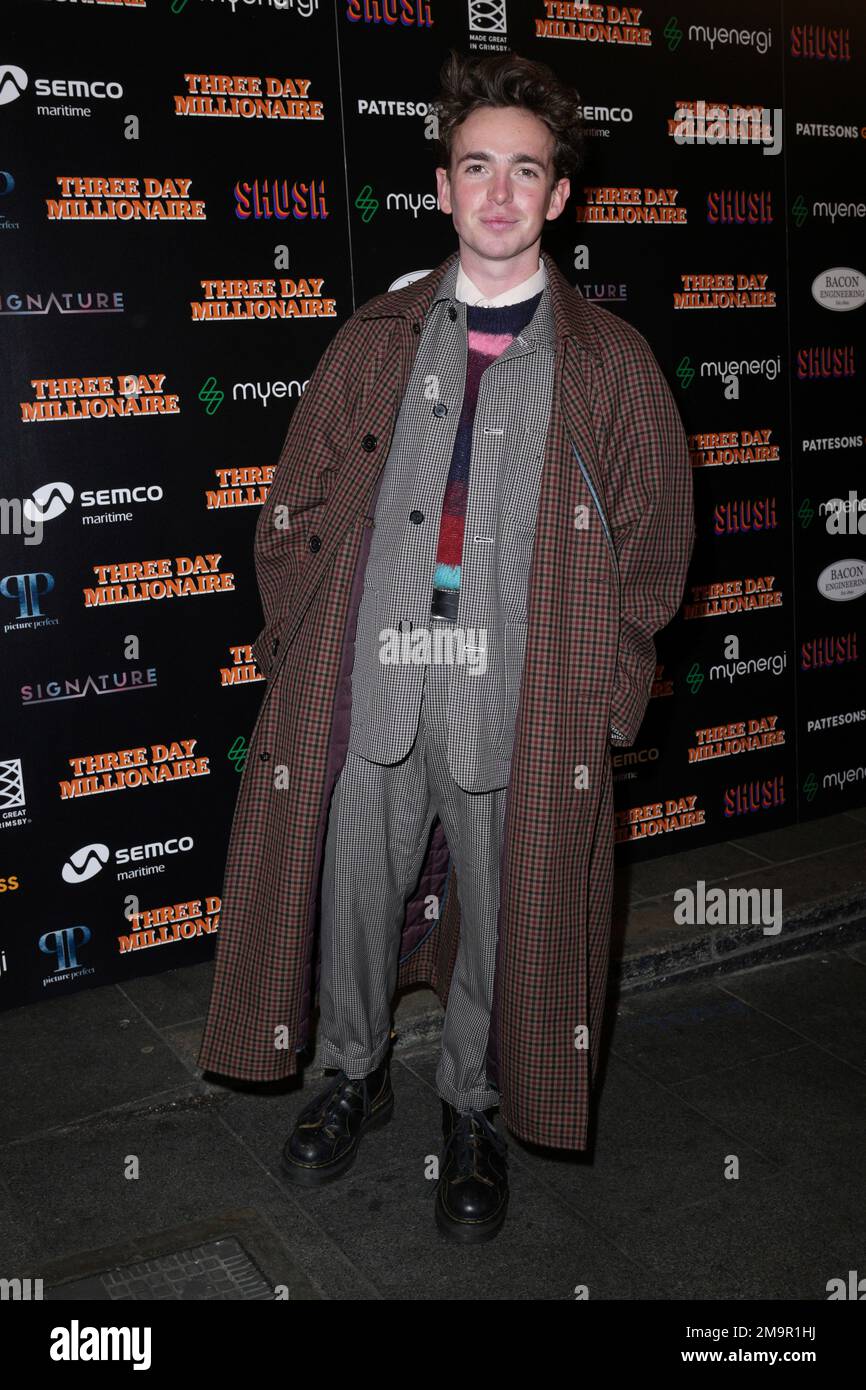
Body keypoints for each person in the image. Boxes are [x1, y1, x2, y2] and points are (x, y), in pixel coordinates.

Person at [197, 48, 695, 1245]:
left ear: (558, 196)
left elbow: (656, 542)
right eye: (478, 166)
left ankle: (469, 1104)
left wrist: (600, 703)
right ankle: (352, 1072)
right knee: (351, 888)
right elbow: (294, 500)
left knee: (513, 902)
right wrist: (299, 639)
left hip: (518, 692)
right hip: (375, 674)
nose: (499, 192)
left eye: (526, 171)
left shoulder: (609, 364)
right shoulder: (374, 337)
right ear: (442, 184)